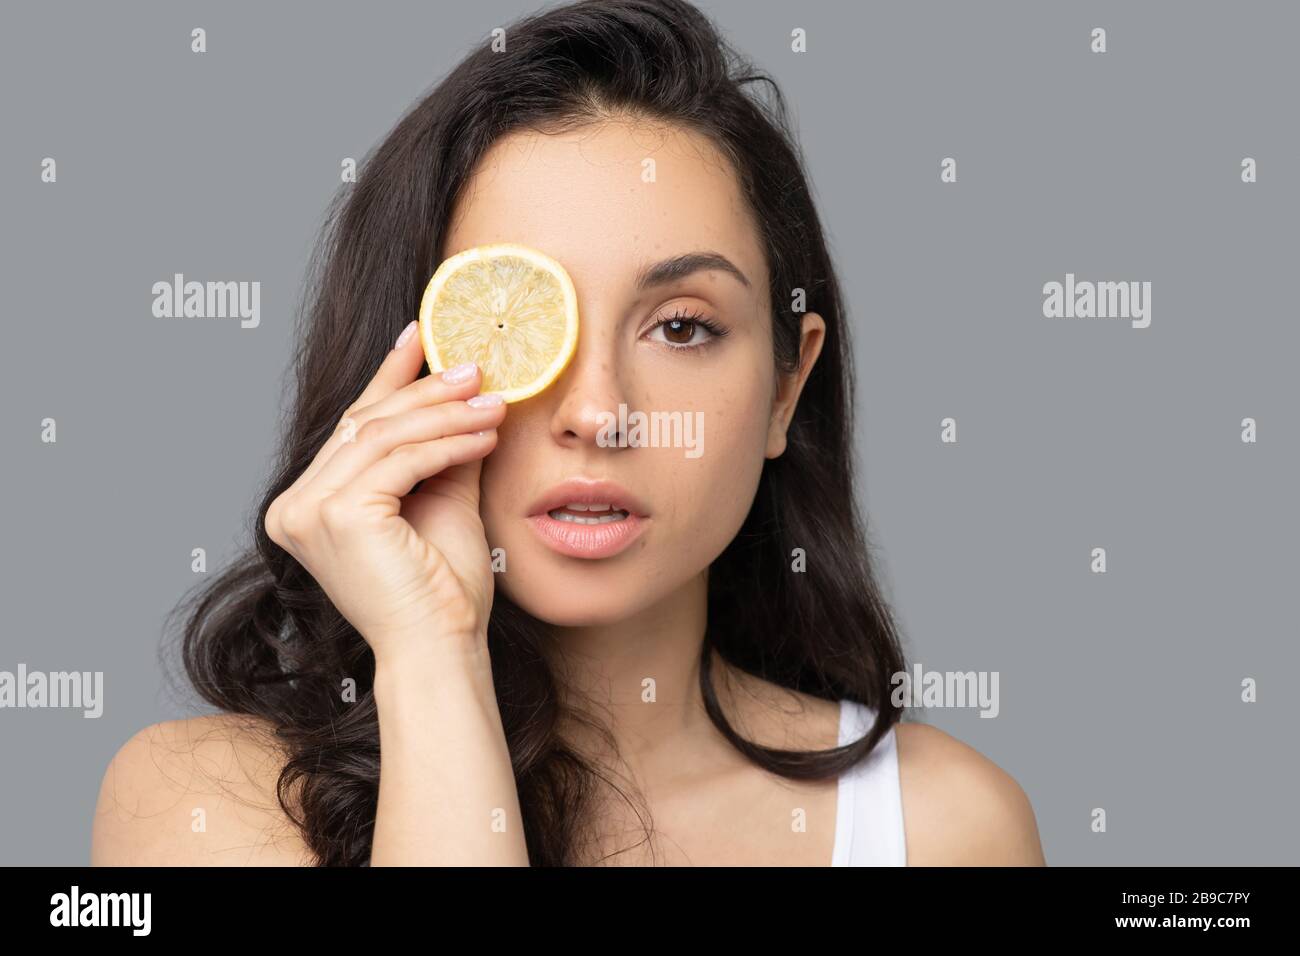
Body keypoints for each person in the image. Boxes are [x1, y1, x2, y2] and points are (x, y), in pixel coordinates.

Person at [91, 0, 1044, 866]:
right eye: (519, 325)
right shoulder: (208, 807)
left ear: (787, 389)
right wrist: (431, 650)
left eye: (682, 327)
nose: (598, 413)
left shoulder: (946, 827)